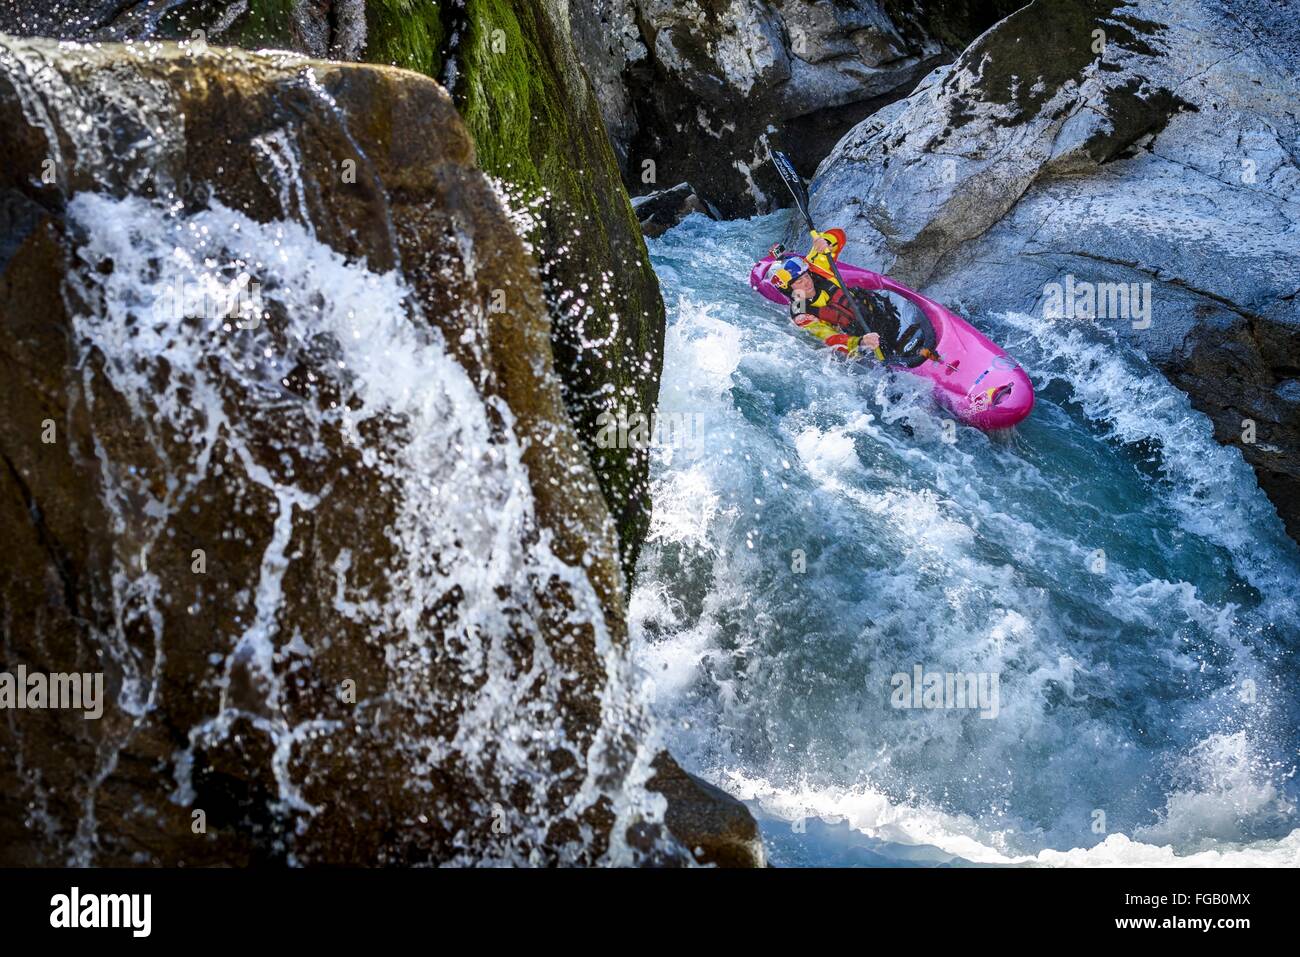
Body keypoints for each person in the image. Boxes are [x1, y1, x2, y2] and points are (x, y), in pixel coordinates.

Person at [770, 255, 880, 359]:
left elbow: (835, 238)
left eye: (806, 276)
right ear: (789, 290)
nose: (808, 283)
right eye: (799, 282)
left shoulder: (822, 274)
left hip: (877, 315)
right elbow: (829, 337)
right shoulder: (800, 314)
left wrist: (822, 242)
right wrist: (860, 342)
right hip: (862, 337)